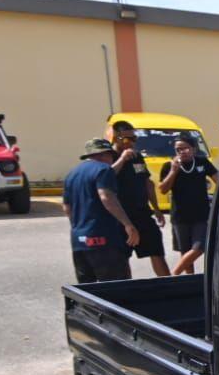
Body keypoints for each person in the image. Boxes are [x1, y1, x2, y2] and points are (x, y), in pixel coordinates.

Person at [61, 138, 140, 284]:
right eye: (111, 156)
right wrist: (128, 224)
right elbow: (106, 197)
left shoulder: (72, 174)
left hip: (79, 241)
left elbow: (67, 207)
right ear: (105, 155)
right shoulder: (104, 170)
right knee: (116, 288)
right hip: (103, 238)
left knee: (88, 291)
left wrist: (78, 227)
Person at [108, 120, 170, 277]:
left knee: (156, 249)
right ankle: (127, 289)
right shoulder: (109, 156)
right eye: (128, 139)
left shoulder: (137, 157)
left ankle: (168, 286)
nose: (132, 143)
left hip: (142, 213)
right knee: (122, 257)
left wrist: (156, 209)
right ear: (117, 138)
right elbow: (106, 176)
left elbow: (147, 183)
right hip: (121, 216)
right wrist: (122, 159)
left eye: (134, 138)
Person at [160, 135, 217, 275]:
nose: (182, 152)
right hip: (180, 216)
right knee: (185, 251)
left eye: (185, 148)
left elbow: (218, 179)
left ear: (193, 149)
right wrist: (173, 171)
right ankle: (187, 279)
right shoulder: (169, 166)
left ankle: (174, 274)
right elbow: (163, 189)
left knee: (199, 247)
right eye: (178, 149)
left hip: (201, 214)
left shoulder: (202, 162)